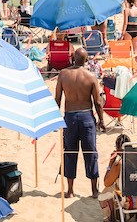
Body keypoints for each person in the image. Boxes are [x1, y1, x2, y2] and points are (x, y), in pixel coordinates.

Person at [54, 49, 106, 198]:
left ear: (73, 58)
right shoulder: (90, 76)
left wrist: (56, 118)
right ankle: (94, 191)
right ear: (86, 60)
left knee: (70, 152)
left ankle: (70, 191)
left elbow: (57, 99)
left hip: (70, 117)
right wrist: (102, 121)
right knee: (90, 153)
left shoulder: (63, 74)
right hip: (86, 117)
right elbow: (97, 102)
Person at [98, 133, 132, 222]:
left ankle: (111, 217)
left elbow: (106, 182)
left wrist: (111, 162)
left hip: (128, 199)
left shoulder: (119, 163)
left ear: (117, 148)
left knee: (104, 194)